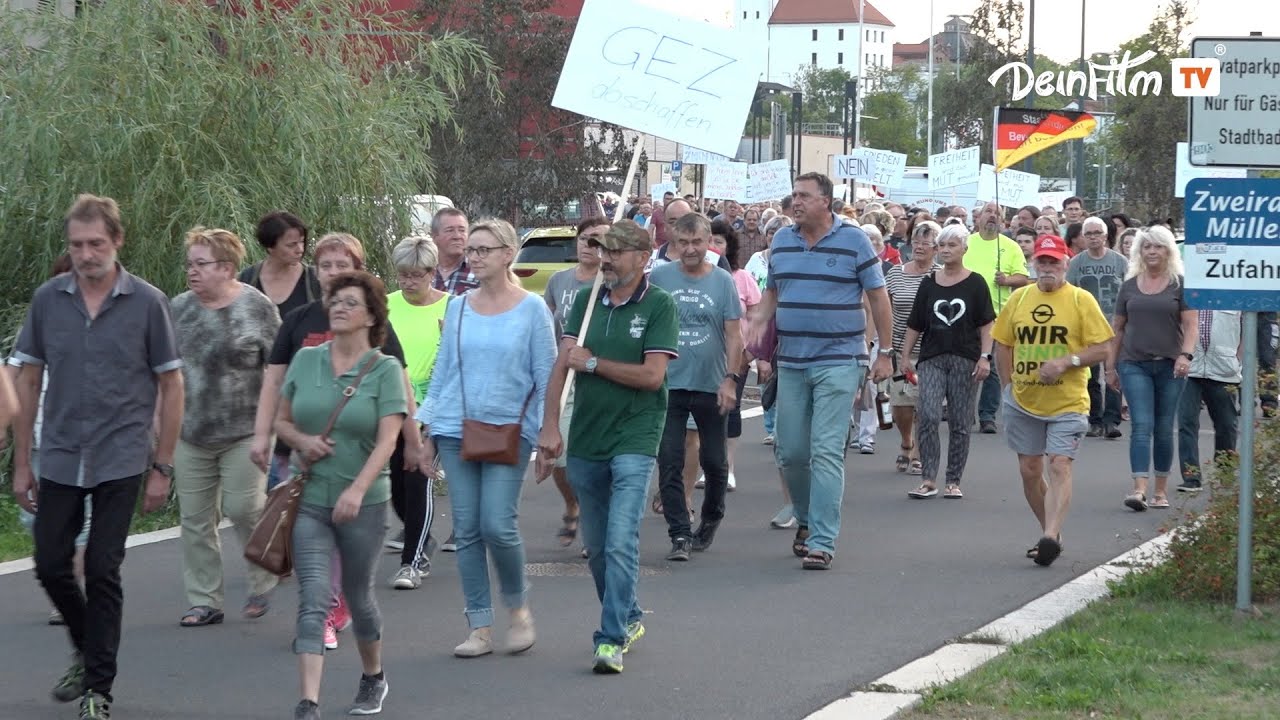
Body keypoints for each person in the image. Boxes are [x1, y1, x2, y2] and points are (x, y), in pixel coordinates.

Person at [13, 194, 184, 720]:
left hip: (122, 456)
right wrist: (22, 463)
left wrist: (162, 465)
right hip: (61, 455)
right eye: (77, 245)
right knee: (49, 564)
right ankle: (87, 651)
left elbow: (171, 385)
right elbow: (29, 379)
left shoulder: (148, 302)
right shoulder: (49, 300)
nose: (86, 254)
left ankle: (98, 688)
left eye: (96, 244)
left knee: (104, 566)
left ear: (117, 241)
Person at [249, 232, 412, 650]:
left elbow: (399, 380)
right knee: (307, 543)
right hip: (298, 453)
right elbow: (274, 380)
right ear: (315, 271)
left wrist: (412, 439)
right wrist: (263, 434)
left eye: (343, 266)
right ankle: (318, 610)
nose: (333, 274)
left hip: (354, 458)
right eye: (326, 266)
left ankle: (335, 608)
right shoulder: (299, 320)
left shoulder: (372, 323)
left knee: (344, 545)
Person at [535, 220, 678, 674]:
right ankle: (630, 615)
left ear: (643, 256)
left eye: (617, 251)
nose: (607, 259)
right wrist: (550, 428)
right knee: (597, 550)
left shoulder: (659, 305)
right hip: (588, 437)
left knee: (620, 540)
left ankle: (610, 637)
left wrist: (594, 363)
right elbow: (561, 367)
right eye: (602, 251)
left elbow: (653, 377)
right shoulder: (584, 301)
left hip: (636, 434)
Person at [419, 219, 556, 658]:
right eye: (471, 250)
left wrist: (545, 433)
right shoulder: (458, 307)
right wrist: (428, 431)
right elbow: (443, 373)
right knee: (468, 530)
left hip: (508, 432)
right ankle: (479, 625)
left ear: (508, 253)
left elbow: (546, 376)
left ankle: (518, 610)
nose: (474, 256)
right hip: (456, 430)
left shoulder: (532, 309)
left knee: (498, 524)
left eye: (484, 249)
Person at [748, 173, 893, 571]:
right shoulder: (782, 240)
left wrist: (886, 352)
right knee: (790, 450)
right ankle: (808, 519)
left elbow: (878, 297)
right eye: (794, 195)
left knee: (826, 449)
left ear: (826, 202)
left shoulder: (854, 240)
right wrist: (757, 323)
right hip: (792, 360)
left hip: (840, 358)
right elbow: (773, 293)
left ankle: (822, 541)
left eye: (804, 196)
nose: (796, 202)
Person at [277, 271, 405, 720]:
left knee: (359, 595)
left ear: (371, 315)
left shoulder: (385, 369)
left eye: (350, 302)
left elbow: (389, 440)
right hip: (310, 497)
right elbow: (282, 420)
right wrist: (301, 441)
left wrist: (357, 489)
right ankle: (308, 702)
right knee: (313, 596)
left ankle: (373, 676)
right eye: (335, 301)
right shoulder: (306, 360)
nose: (339, 308)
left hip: (363, 505)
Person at [171, 227, 281, 626]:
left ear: (227, 267)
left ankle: (263, 580)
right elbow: (165, 372)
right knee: (195, 520)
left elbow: (278, 369)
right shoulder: (178, 309)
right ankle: (205, 600)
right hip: (191, 430)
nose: (192, 272)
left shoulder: (257, 307)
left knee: (243, 507)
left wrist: (273, 427)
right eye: (190, 264)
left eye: (200, 264)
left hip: (245, 429)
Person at [991, 234, 1113, 566]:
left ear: (1066, 264)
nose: (1047, 268)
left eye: (1053, 262)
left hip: (1068, 401)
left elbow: (1103, 347)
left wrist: (1066, 362)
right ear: (1034, 264)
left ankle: (1049, 536)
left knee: (1059, 464)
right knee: (1029, 470)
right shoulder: (1019, 299)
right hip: (1023, 400)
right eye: (1042, 262)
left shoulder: (1080, 300)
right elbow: (1002, 343)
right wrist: (1006, 384)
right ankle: (1051, 533)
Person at [649, 213, 742, 561]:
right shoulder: (660, 277)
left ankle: (711, 517)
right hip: (670, 384)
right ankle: (679, 533)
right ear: (674, 242)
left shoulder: (722, 281)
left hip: (711, 384)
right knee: (670, 460)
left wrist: (731, 379)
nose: (689, 250)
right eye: (682, 243)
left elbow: (734, 336)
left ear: (708, 243)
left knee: (715, 462)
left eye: (696, 243)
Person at [9, 254, 92, 627]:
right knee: (34, 521)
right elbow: (12, 377)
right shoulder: (39, 325)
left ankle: (70, 593)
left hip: (87, 441)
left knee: (83, 519)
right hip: (42, 438)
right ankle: (63, 581)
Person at [902, 224, 995, 499]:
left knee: (960, 421)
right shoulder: (929, 282)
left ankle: (953, 479)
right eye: (941, 245)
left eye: (951, 245)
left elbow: (987, 324)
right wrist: (905, 355)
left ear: (964, 249)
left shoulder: (976, 282)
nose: (945, 250)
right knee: (928, 414)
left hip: (965, 358)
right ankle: (928, 478)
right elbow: (915, 323)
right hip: (932, 357)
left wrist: (985, 357)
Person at [1108, 225, 1197, 512]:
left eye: (1158, 246)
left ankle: (1160, 490)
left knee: (1163, 427)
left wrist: (1186, 355)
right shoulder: (1129, 285)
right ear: (1139, 252)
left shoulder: (1180, 284)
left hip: (1171, 365)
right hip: (1134, 363)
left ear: (1168, 250)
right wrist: (1110, 367)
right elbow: (1117, 329)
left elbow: (1191, 324)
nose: (1152, 251)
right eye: (1147, 247)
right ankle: (1139, 489)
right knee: (1141, 425)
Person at [384, 235, 450, 590]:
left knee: (417, 475)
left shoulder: (452, 307)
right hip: (393, 404)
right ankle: (420, 535)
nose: (409, 282)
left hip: (434, 406)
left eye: (416, 275)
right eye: (402, 275)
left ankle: (412, 560)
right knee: (397, 485)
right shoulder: (386, 305)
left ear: (432, 272)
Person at [541, 218, 610, 550]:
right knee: (560, 455)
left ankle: (595, 525)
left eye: (597, 240)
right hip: (563, 374)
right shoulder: (558, 281)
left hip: (598, 374)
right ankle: (573, 503)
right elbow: (546, 324)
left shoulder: (609, 282)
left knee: (595, 456)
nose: (589, 245)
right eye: (585, 239)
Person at [964, 202, 1030, 434]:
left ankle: (988, 415)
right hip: (964, 314)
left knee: (991, 367)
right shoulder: (967, 243)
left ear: (1002, 221)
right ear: (978, 218)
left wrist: (1007, 280)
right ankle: (964, 411)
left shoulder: (1010, 247)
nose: (992, 217)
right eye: (988, 213)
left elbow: (1023, 277)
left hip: (996, 314)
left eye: (997, 214)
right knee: (965, 364)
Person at [883, 221, 942, 475]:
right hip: (899, 349)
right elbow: (884, 310)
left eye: (925, 243)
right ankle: (906, 439)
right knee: (901, 406)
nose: (919, 247)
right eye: (915, 242)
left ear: (936, 248)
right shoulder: (895, 273)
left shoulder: (941, 275)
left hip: (932, 350)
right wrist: (881, 346)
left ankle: (917, 450)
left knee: (927, 406)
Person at [1066, 216, 1128, 439]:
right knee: (1090, 375)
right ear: (1083, 237)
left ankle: (1112, 421)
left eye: (1096, 233)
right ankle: (1094, 419)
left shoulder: (1120, 262)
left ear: (1105, 236)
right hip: (1086, 327)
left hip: (1114, 325)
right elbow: (1069, 292)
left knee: (1113, 373)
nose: (1093, 238)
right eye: (1088, 234)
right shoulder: (1076, 263)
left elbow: (1128, 291)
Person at [1177, 310, 1243, 493]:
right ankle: (1191, 476)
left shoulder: (1232, 294)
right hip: (1191, 368)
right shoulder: (1190, 293)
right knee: (1186, 423)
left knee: (1226, 425)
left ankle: (1225, 473)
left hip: (1223, 369)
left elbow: (1249, 328)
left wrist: (1238, 358)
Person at [240, 210, 322, 318]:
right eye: (291, 245)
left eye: (302, 242)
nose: (300, 249)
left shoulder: (316, 279)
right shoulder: (246, 280)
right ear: (270, 246)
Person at [431, 207, 478, 296]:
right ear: (434, 236)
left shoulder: (479, 271)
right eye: (450, 230)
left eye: (462, 230)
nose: (457, 236)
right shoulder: (423, 270)